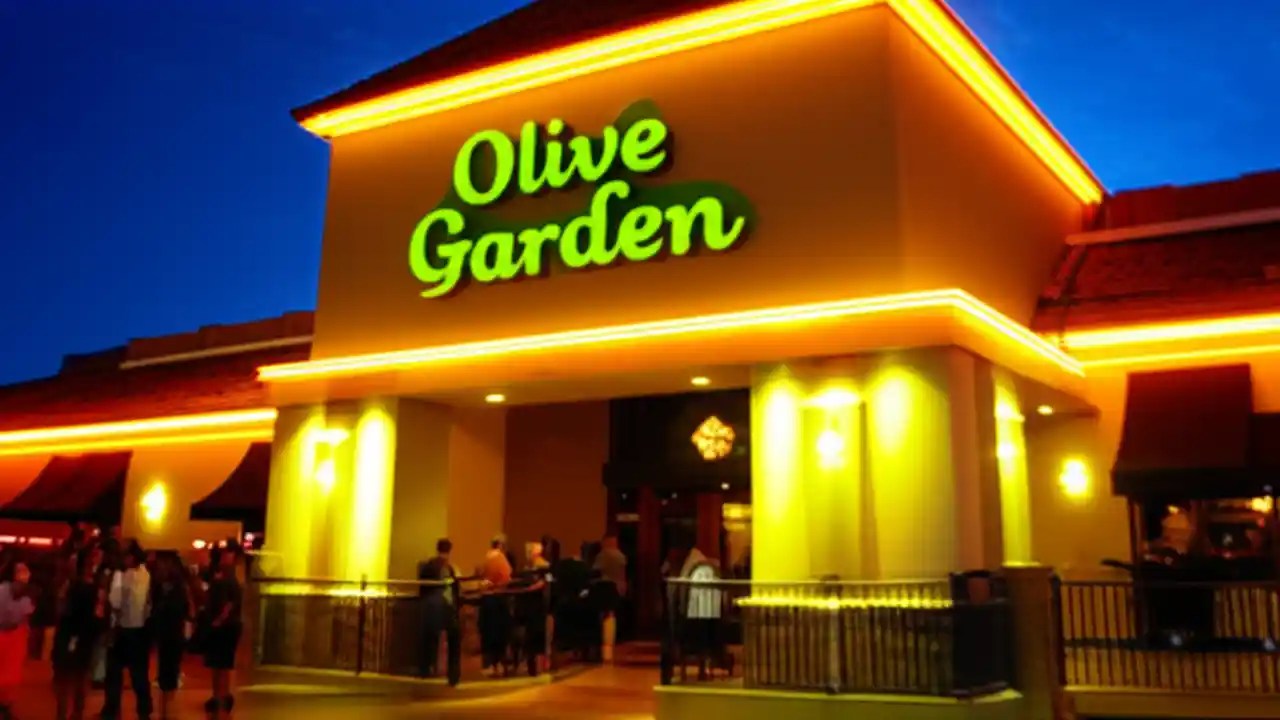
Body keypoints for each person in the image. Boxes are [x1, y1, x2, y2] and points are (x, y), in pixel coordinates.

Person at [102, 541, 152, 720]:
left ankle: (111, 710)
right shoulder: (147, 574)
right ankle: (144, 712)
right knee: (140, 676)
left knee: (114, 674)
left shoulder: (121, 575)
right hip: (141, 631)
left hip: (122, 630)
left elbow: (115, 602)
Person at [53, 551, 105, 720]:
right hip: (86, 636)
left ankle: (62, 714)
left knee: (64, 678)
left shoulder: (69, 586)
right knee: (81, 677)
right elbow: (99, 614)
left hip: (67, 634)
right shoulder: (97, 589)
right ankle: (77, 713)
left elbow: (60, 609)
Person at [203, 546, 243, 717]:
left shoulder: (228, 580)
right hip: (224, 627)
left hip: (225, 628)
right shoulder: (227, 578)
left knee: (221, 665)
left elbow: (230, 604)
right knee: (220, 665)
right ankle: (219, 697)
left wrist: (218, 620)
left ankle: (220, 698)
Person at [151, 554, 193, 719]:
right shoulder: (165, 588)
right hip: (168, 633)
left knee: (169, 672)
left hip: (172, 633)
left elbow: (185, 611)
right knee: (166, 672)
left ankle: (167, 710)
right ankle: (166, 710)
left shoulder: (175, 589)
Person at [416, 539, 460, 685]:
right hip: (446, 607)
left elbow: (422, 587)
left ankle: (425, 670)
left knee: (428, 640)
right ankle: (453, 675)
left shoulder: (428, 566)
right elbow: (455, 589)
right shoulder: (449, 568)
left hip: (430, 607)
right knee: (453, 639)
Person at [0, 561, 35, 719]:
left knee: (12, 676)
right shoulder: (1, 591)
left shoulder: (26, 597)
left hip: (14, 639)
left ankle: (6, 705)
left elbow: (25, 619)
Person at [478, 535, 513, 676]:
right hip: (498, 598)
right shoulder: (500, 558)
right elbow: (506, 576)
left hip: (486, 598)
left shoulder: (486, 558)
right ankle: (498, 663)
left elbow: (481, 576)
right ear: (500, 545)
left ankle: (488, 664)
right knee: (499, 633)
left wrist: (486, 584)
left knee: (487, 633)